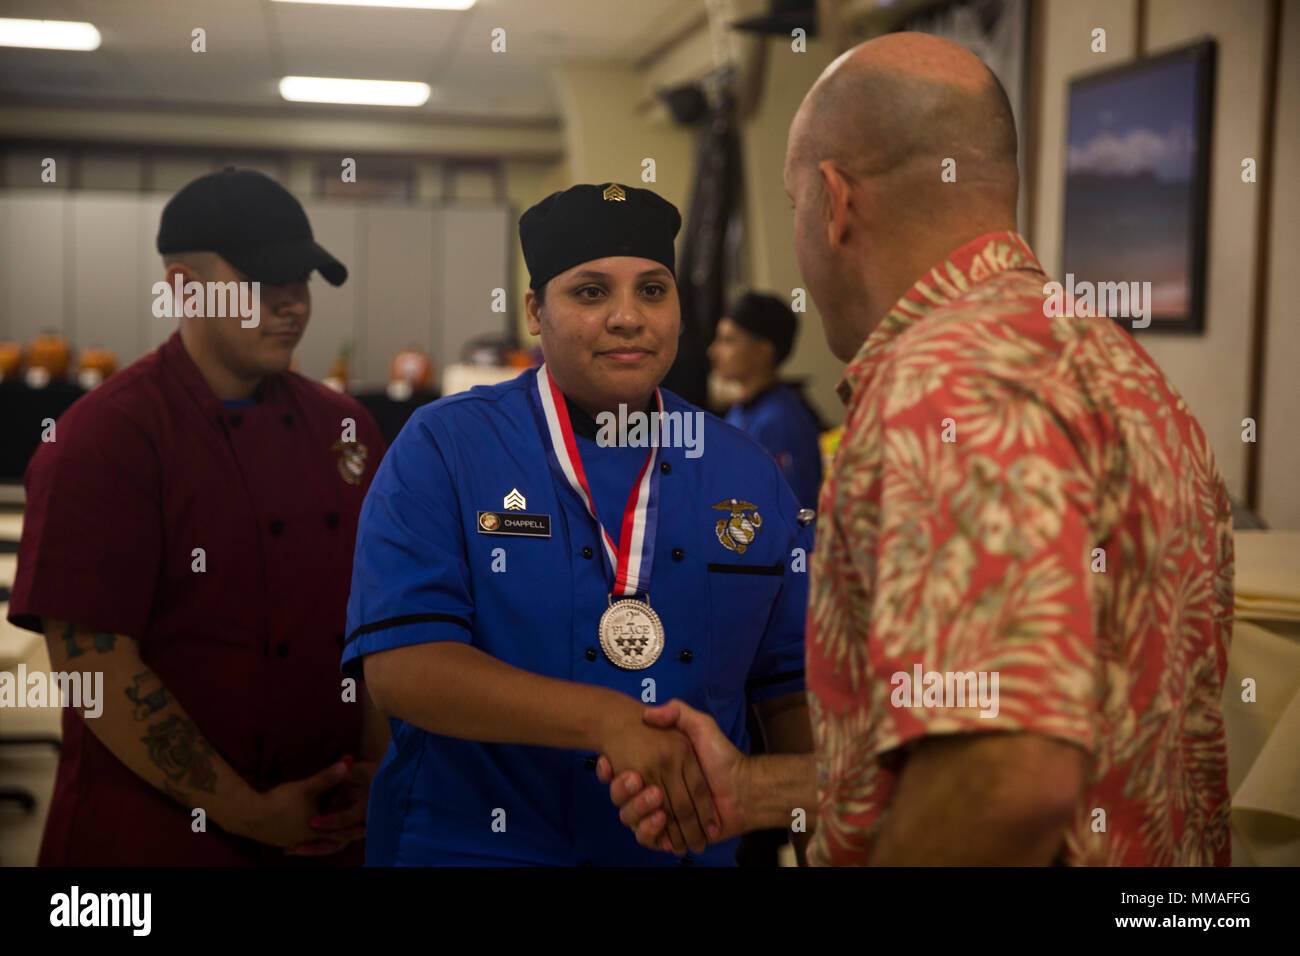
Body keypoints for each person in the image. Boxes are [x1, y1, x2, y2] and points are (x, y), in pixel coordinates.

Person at [600, 32, 1234, 866]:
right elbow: (1051, 743)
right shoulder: (1121, 368)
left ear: (835, 202)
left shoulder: (944, 383)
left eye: (794, 206)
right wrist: (759, 791)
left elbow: (1006, 780)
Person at [343, 182, 813, 866]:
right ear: (535, 310)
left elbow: (789, 686)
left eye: (653, 290)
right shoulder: (446, 447)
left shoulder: (746, 472)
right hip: (472, 847)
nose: (628, 317)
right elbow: (403, 669)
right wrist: (609, 721)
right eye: (590, 293)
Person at [8, 168, 389, 865]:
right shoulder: (103, 439)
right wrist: (246, 811)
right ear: (184, 286)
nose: (292, 307)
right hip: (154, 837)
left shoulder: (345, 428)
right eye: (262, 285)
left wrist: (378, 771)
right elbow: (97, 665)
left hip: (329, 827)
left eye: (300, 283)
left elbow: (380, 619)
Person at [708, 292, 823, 508]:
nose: (714, 351)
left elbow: (790, 512)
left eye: (728, 340)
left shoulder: (780, 423)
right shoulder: (740, 410)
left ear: (763, 351)